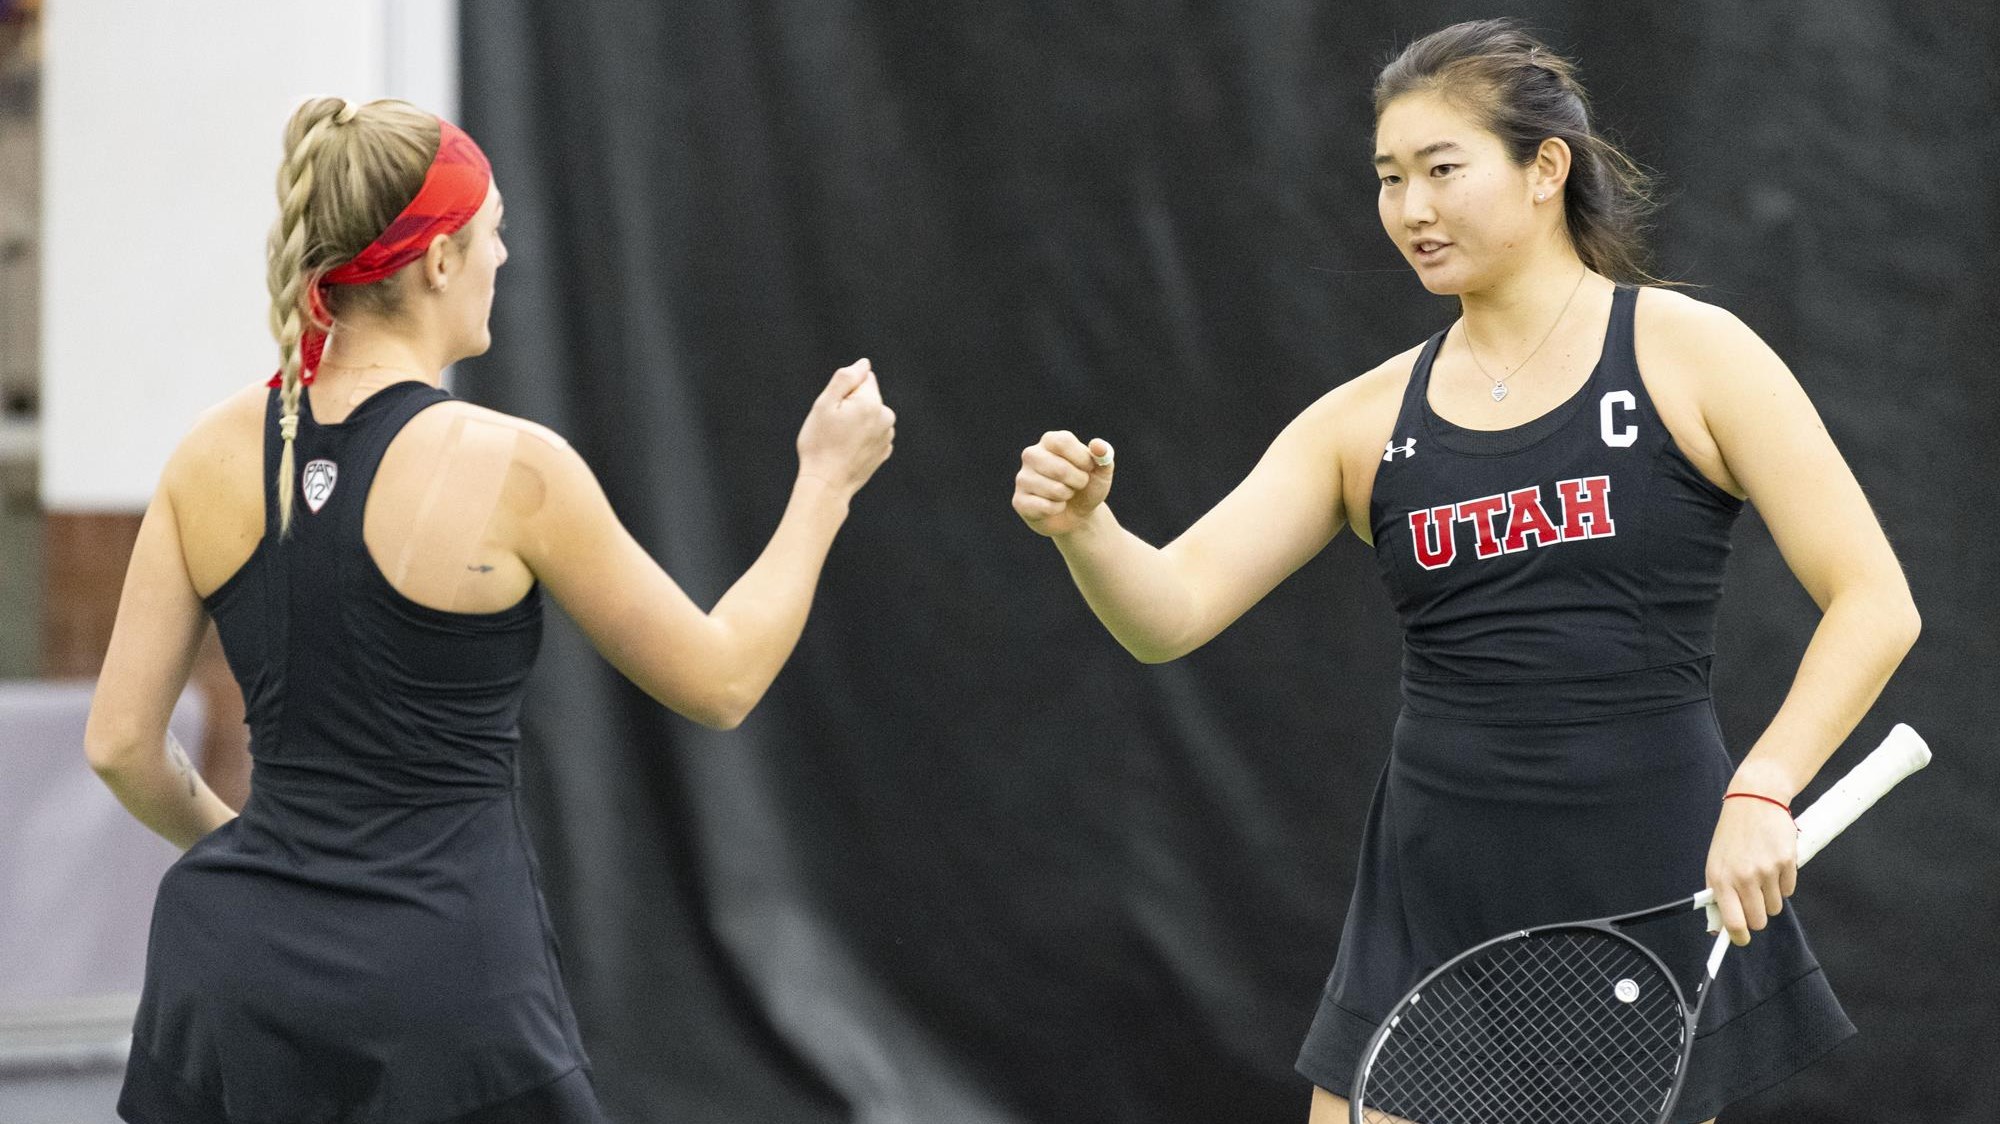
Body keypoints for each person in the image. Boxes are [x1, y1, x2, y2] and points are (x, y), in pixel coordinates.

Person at [1010, 20, 1918, 1124]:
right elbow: (1172, 611)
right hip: (1429, 890)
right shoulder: (1362, 419)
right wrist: (1086, 530)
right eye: (1389, 179)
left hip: (1643, 877)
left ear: (1545, 169)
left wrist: (1762, 786)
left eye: (1442, 170)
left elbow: (1874, 600)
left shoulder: (1692, 351)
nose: (1411, 209)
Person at [84, 96, 895, 1122]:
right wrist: (824, 484)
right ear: (433, 262)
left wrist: (254, 856)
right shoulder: (516, 467)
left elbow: (121, 742)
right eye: (492, 230)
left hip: (228, 972)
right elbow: (722, 677)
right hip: (445, 990)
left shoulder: (208, 451)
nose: (502, 255)